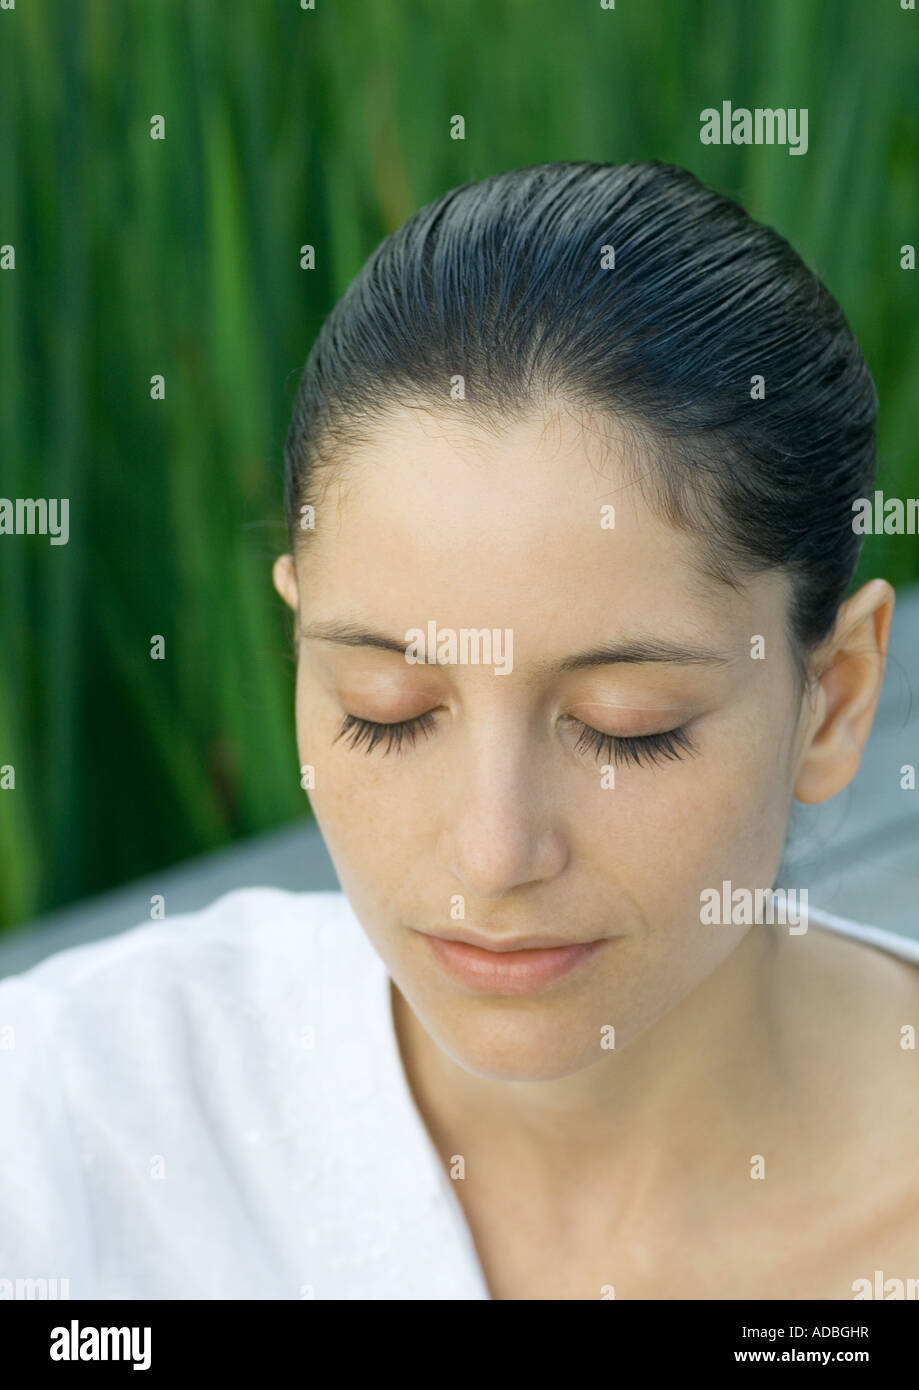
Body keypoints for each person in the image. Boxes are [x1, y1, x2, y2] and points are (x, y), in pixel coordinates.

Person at [2, 161, 917, 1301]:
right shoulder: (67, 1124)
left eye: (624, 728)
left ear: (831, 699)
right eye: (386, 711)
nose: (493, 854)